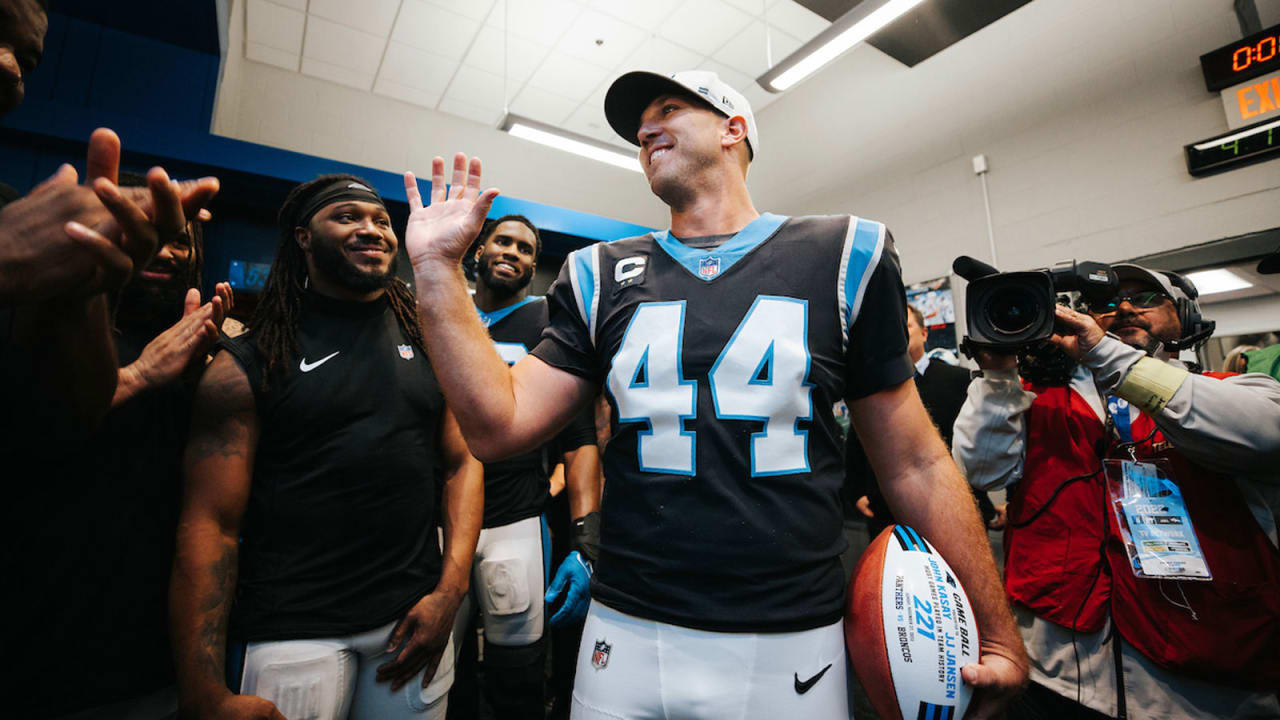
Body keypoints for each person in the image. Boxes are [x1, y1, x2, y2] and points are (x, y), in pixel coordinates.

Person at [401, 70, 1027, 719]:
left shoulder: (842, 252)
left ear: (734, 129)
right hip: (626, 626)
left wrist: (999, 631)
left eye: (668, 109)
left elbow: (917, 463)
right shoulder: (600, 274)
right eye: (640, 126)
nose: (645, 130)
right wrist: (437, 270)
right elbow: (496, 426)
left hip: (787, 636)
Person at [171, 175, 483, 720]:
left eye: (381, 221)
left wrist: (451, 591)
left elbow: (464, 462)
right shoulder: (249, 360)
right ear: (303, 238)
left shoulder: (431, 340)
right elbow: (208, 524)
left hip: (411, 620)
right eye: (346, 217)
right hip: (291, 630)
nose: (371, 230)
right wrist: (202, 689)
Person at [953, 264, 1280, 719]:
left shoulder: (1237, 391)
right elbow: (980, 471)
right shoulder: (1035, 399)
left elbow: (1259, 434)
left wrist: (1105, 354)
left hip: (1204, 687)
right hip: (1057, 675)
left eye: (1146, 298)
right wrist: (999, 373)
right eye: (1106, 304)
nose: (1124, 307)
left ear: (1184, 314)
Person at [447, 214, 602, 720]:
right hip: (439, 518)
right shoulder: (445, 318)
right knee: (443, 673)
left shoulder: (546, 325)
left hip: (515, 515)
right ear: (479, 251)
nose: (512, 252)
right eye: (503, 241)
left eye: (525, 248)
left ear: (535, 265)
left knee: (517, 677)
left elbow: (579, 440)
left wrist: (584, 538)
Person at [846, 303, 998, 537]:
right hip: (889, 517)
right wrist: (857, 490)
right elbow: (858, 440)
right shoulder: (873, 384)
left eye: (906, 325)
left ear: (924, 333)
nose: (897, 331)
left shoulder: (958, 381)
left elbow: (979, 445)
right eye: (891, 327)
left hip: (953, 511)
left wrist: (982, 503)